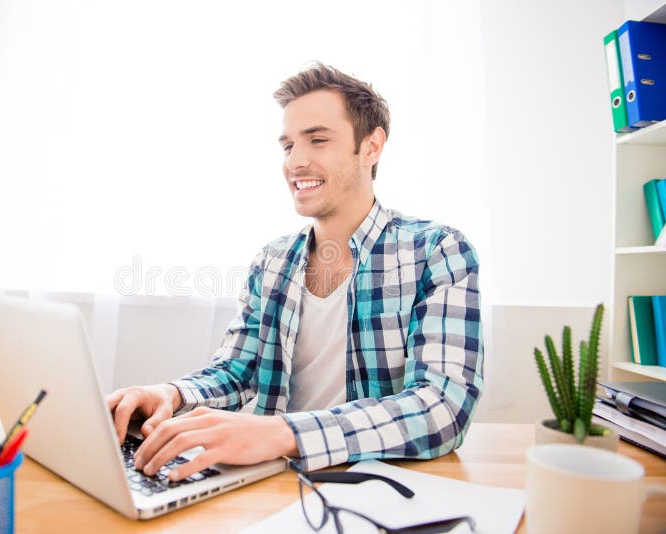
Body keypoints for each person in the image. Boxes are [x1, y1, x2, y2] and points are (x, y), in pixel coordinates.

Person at [106, 63, 483, 482]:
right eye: (287, 146)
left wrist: (283, 432)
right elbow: (238, 370)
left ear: (371, 147)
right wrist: (170, 394)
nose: (296, 162)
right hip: (281, 482)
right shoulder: (272, 260)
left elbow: (442, 406)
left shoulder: (436, 250)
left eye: (318, 140)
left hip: (383, 488)